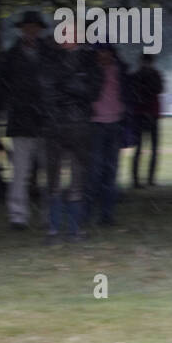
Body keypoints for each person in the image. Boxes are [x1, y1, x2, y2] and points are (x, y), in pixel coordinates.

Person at [40, 21, 100, 241]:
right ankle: (54, 228)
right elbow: (46, 90)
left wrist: (67, 86)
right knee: (53, 177)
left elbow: (92, 91)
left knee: (78, 177)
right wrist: (74, 87)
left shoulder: (89, 59)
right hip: (56, 124)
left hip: (79, 125)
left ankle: (75, 228)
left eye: (72, 32)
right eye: (64, 32)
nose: (67, 37)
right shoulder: (50, 59)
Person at [0, 10, 50, 229]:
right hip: (21, 120)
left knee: (49, 171)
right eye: (27, 27)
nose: (31, 31)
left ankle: (50, 214)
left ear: (38, 29)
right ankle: (18, 216)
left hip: (46, 121)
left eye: (34, 27)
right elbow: (2, 88)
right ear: (22, 29)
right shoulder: (10, 57)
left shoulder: (49, 54)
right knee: (19, 172)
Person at [86, 43, 129, 225]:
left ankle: (106, 215)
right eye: (100, 53)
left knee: (110, 172)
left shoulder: (120, 73)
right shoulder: (90, 72)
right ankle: (87, 213)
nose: (103, 56)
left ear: (112, 54)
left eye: (106, 52)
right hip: (96, 125)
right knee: (94, 172)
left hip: (115, 125)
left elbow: (127, 96)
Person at [129, 53, 164, 187]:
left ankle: (141, 179)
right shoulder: (152, 75)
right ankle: (146, 179)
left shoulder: (139, 76)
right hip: (147, 114)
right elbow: (157, 90)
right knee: (148, 148)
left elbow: (157, 90)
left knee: (142, 149)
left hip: (143, 114)